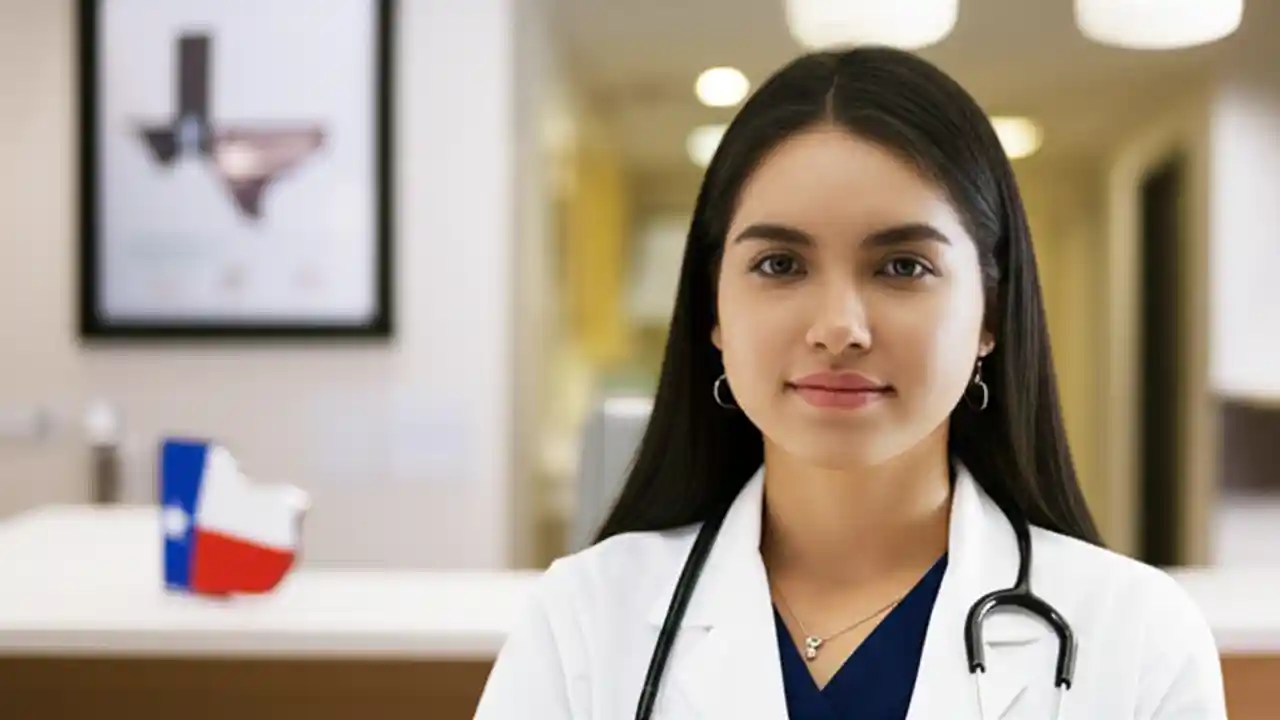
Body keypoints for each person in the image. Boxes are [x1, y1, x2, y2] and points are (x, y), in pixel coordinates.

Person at [474, 47, 1226, 719]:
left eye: (902, 266)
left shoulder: (1136, 637)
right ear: (714, 310)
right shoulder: (583, 620)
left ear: (989, 314)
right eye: (780, 265)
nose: (839, 327)